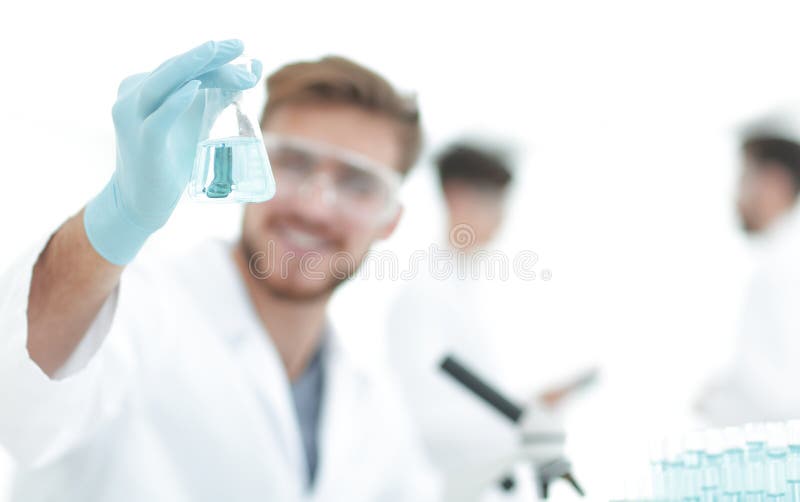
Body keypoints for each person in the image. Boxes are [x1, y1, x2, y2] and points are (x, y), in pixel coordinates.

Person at [0, 40, 439, 501]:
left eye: (357, 183)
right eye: (293, 163)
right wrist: (118, 219)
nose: (313, 207)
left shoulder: (375, 403)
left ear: (390, 221)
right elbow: (20, 407)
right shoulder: (142, 309)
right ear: (250, 161)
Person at [386, 143, 566, 501]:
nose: (501, 218)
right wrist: (520, 420)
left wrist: (524, 410)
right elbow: (424, 420)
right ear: (457, 197)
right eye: (492, 202)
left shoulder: (466, 288)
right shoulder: (423, 295)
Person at [698, 113, 800, 425]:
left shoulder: (782, 270)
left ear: (773, 182)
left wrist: (716, 402)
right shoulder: (780, 261)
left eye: (744, 178)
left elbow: (784, 395)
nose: (736, 194)